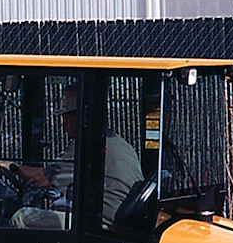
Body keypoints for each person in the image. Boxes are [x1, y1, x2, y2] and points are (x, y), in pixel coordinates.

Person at [11, 85, 142, 229]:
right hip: (111, 218)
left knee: (22, 217)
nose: (63, 123)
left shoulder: (89, 143)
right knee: (58, 205)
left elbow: (45, 179)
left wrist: (11, 167)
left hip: (101, 223)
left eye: (67, 117)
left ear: (83, 115)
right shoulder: (113, 141)